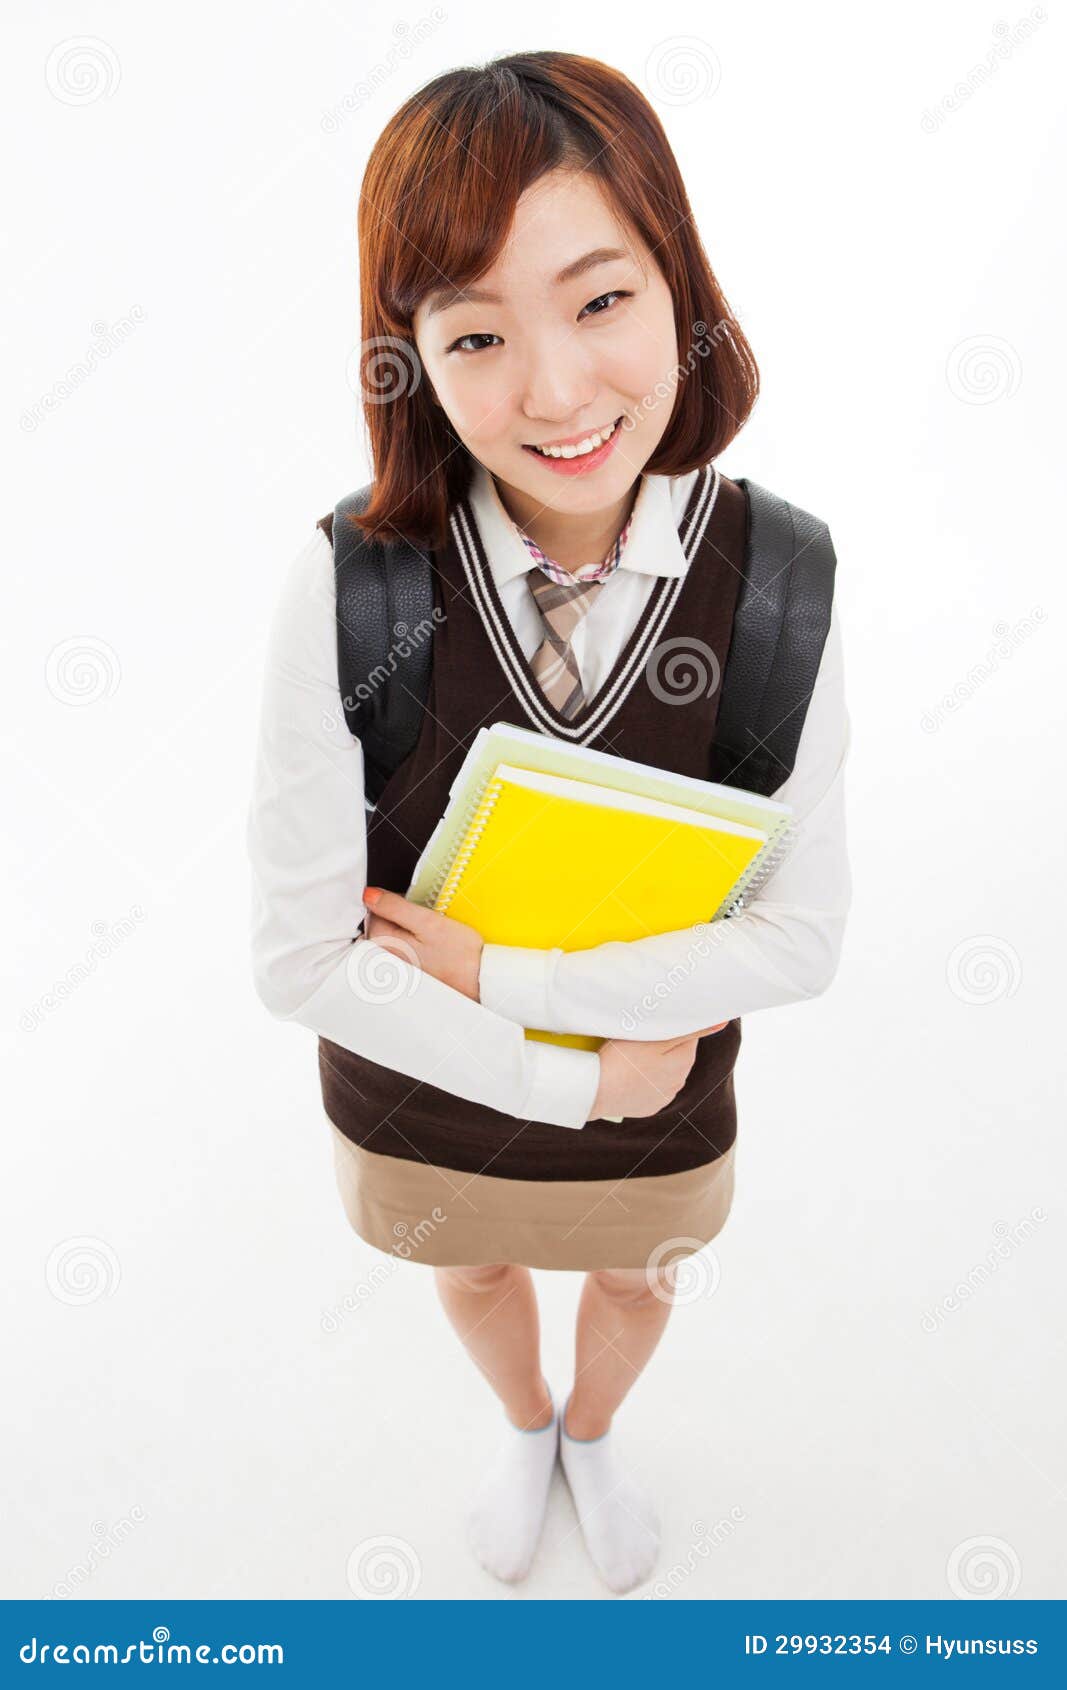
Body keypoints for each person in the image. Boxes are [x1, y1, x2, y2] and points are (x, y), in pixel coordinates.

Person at [246, 50, 852, 1595]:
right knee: (477, 1263)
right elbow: (299, 959)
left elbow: (799, 941)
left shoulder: (778, 583)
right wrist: (574, 1079)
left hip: (662, 1087)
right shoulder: (352, 583)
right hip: (427, 1097)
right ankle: (525, 1422)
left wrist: (512, 989)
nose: (558, 390)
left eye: (599, 301)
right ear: (414, 359)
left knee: (639, 1287)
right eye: (477, 332)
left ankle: (595, 1423)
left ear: (680, 286)